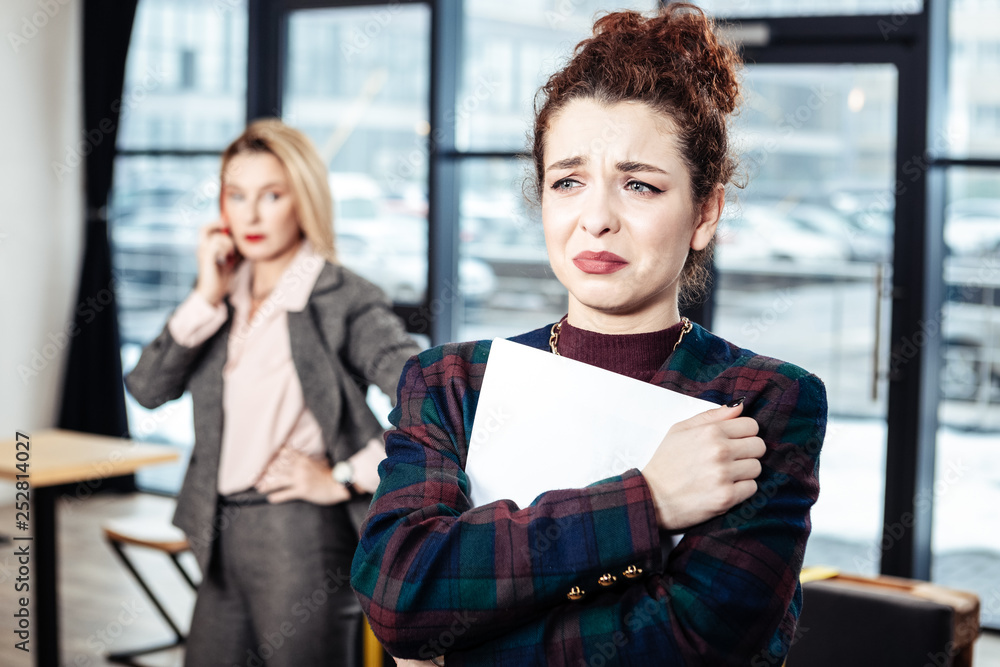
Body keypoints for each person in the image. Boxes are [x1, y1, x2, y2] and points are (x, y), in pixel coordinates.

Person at [351, 5, 827, 666]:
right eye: (568, 181)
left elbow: (691, 643)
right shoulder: (450, 382)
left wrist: (458, 645)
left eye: (638, 184)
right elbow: (401, 590)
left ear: (705, 212)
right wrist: (648, 499)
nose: (595, 218)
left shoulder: (762, 401)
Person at [125, 118, 421, 667]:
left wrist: (343, 475)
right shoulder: (223, 294)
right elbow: (145, 389)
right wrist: (206, 295)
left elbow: (428, 402)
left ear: (301, 198)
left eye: (272, 195)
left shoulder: (340, 296)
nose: (251, 214)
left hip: (298, 533)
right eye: (237, 195)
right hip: (217, 529)